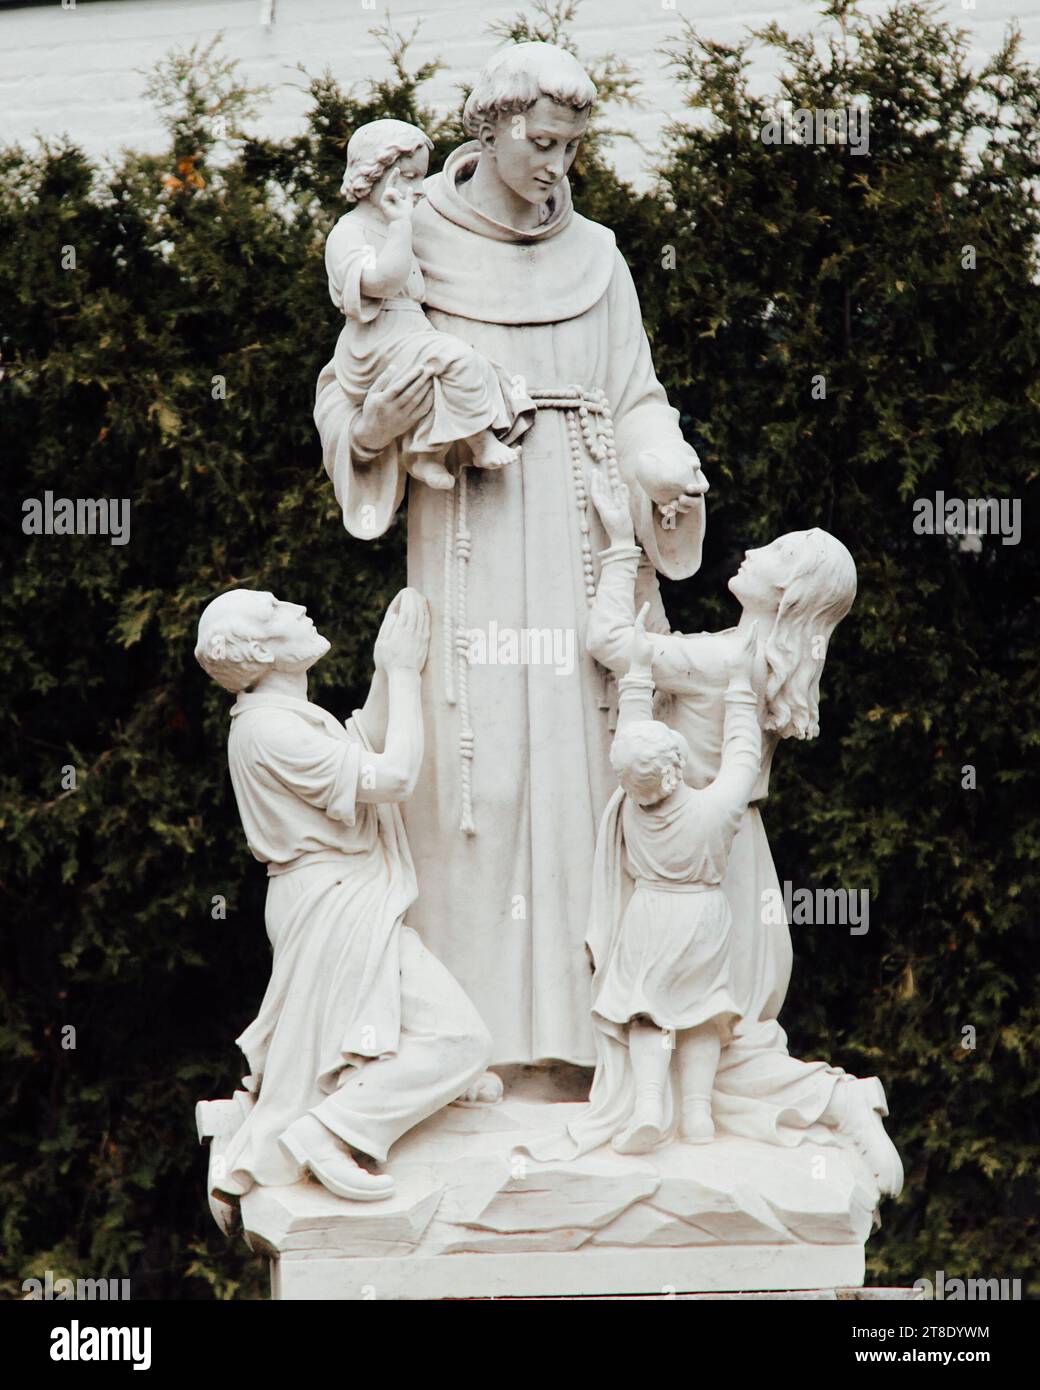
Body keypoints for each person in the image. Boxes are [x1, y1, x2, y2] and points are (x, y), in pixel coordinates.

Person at [315, 42, 708, 1066]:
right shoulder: (408, 238)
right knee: (471, 788)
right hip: (469, 549)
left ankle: (592, 1054)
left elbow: (634, 400)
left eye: (571, 147)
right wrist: (370, 433)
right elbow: (350, 389)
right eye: (539, 143)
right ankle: (469, 1056)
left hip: (584, 551)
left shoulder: (601, 254)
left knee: (584, 777)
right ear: (486, 131)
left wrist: (664, 467)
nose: (556, 166)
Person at [584, 473, 903, 1194]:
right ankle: (737, 1123)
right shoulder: (756, 659)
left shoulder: (729, 663)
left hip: (698, 865)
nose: (752, 547)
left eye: (773, 552)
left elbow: (610, 644)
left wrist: (616, 549)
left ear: (784, 594)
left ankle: (841, 1101)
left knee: (716, 1037)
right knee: (717, 1036)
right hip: (732, 854)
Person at [194, 587, 492, 1202]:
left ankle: (361, 1112)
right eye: (275, 610)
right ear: (259, 649)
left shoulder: (291, 718)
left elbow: (363, 747)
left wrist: (386, 668)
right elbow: (393, 776)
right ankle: (328, 1131)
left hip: (342, 894)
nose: (298, 608)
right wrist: (405, 675)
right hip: (331, 901)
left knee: (411, 1034)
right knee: (460, 1039)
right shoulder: (271, 732)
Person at [588, 611, 762, 1155]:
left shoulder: (630, 809)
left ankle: (646, 1105)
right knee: (704, 1010)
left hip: (648, 915)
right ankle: (697, 1114)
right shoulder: (714, 811)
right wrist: (738, 687)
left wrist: (637, 671)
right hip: (701, 917)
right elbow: (743, 758)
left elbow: (633, 736)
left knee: (647, 1009)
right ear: (678, 766)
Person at [323, 119, 533, 492]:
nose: (418, 190)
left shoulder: (399, 228)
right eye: (408, 177)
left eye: (421, 178)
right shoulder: (350, 232)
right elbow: (382, 283)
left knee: (471, 365)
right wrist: (401, 226)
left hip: (408, 332)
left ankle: (424, 452)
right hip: (377, 342)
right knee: (454, 358)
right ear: (375, 174)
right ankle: (480, 442)